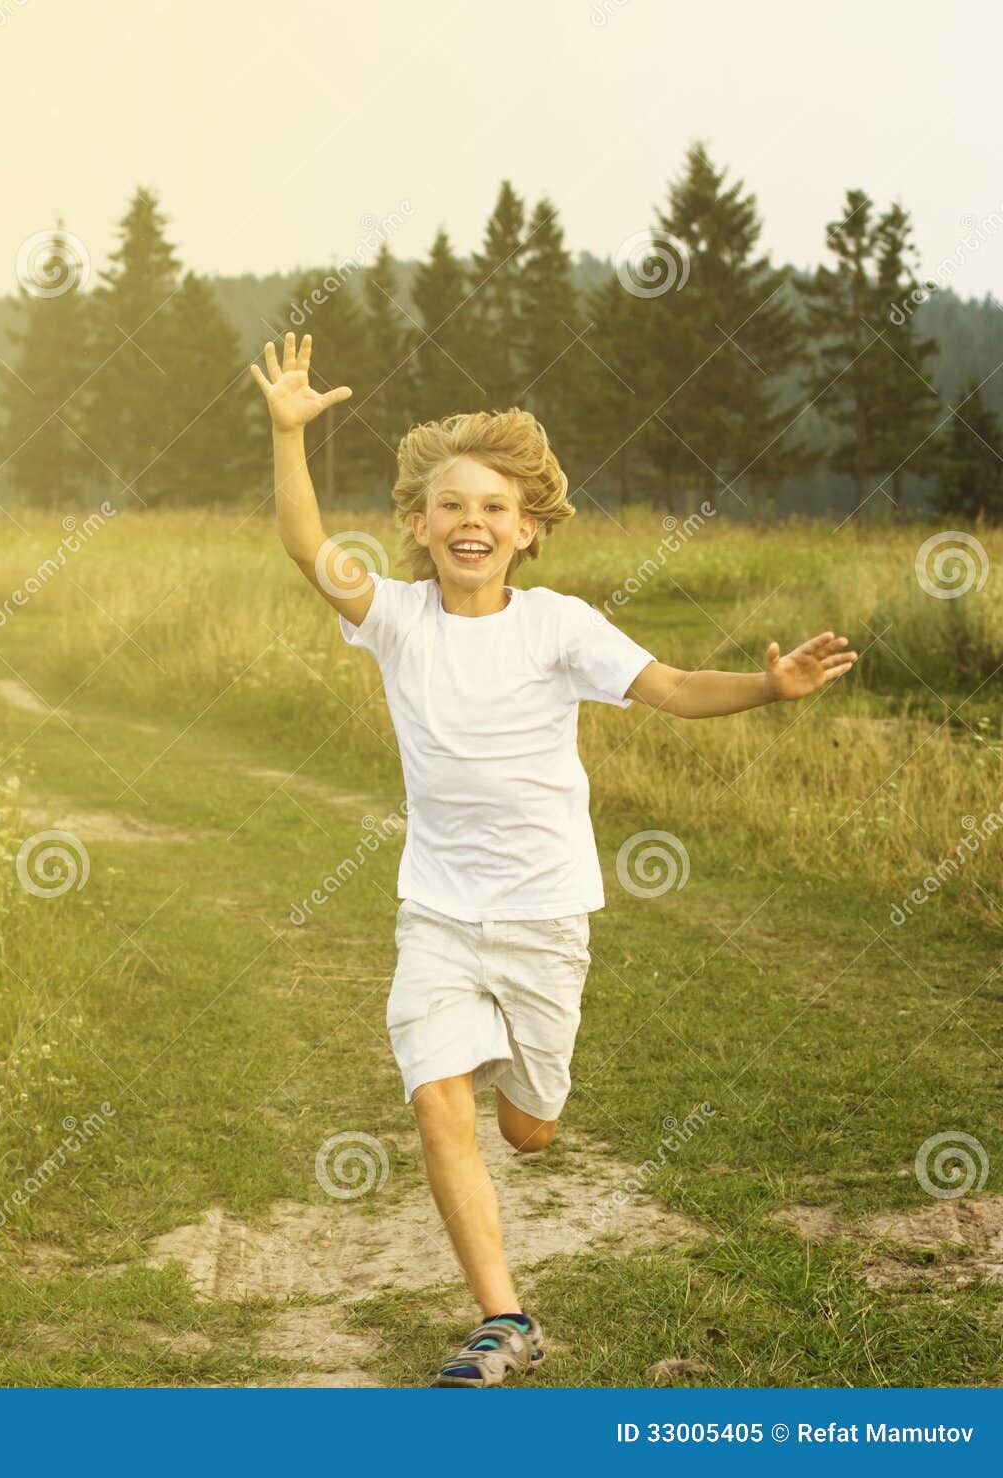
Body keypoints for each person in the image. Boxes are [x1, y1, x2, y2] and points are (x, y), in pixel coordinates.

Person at [249, 332, 857, 1387]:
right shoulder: (394, 619)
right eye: (449, 505)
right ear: (415, 525)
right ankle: (503, 1319)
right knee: (437, 1093)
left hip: (543, 917)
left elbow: (669, 687)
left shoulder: (559, 628)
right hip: (436, 912)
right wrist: (286, 432)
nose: (470, 521)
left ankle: (518, 1080)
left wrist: (766, 687)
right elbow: (307, 547)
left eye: (493, 507)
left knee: (527, 1129)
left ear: (527, 529)